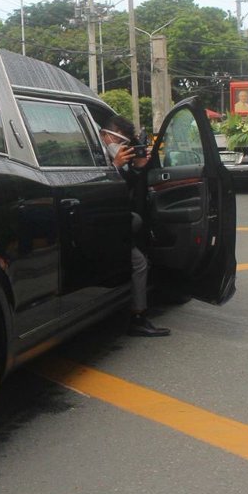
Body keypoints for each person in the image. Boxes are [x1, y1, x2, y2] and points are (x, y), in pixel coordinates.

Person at [99, 114, 169, 337]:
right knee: (138, 260)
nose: (123, 147)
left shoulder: (121, 159)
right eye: (119, 141)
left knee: (139, 255)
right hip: (96, 220)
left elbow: (127, 190)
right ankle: (136, 316)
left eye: (127, 144)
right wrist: (114, 167)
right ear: (105, 135)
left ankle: (135, 312)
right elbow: (97, 186)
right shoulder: (90, 152)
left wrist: (137, 167)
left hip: (114, 220)